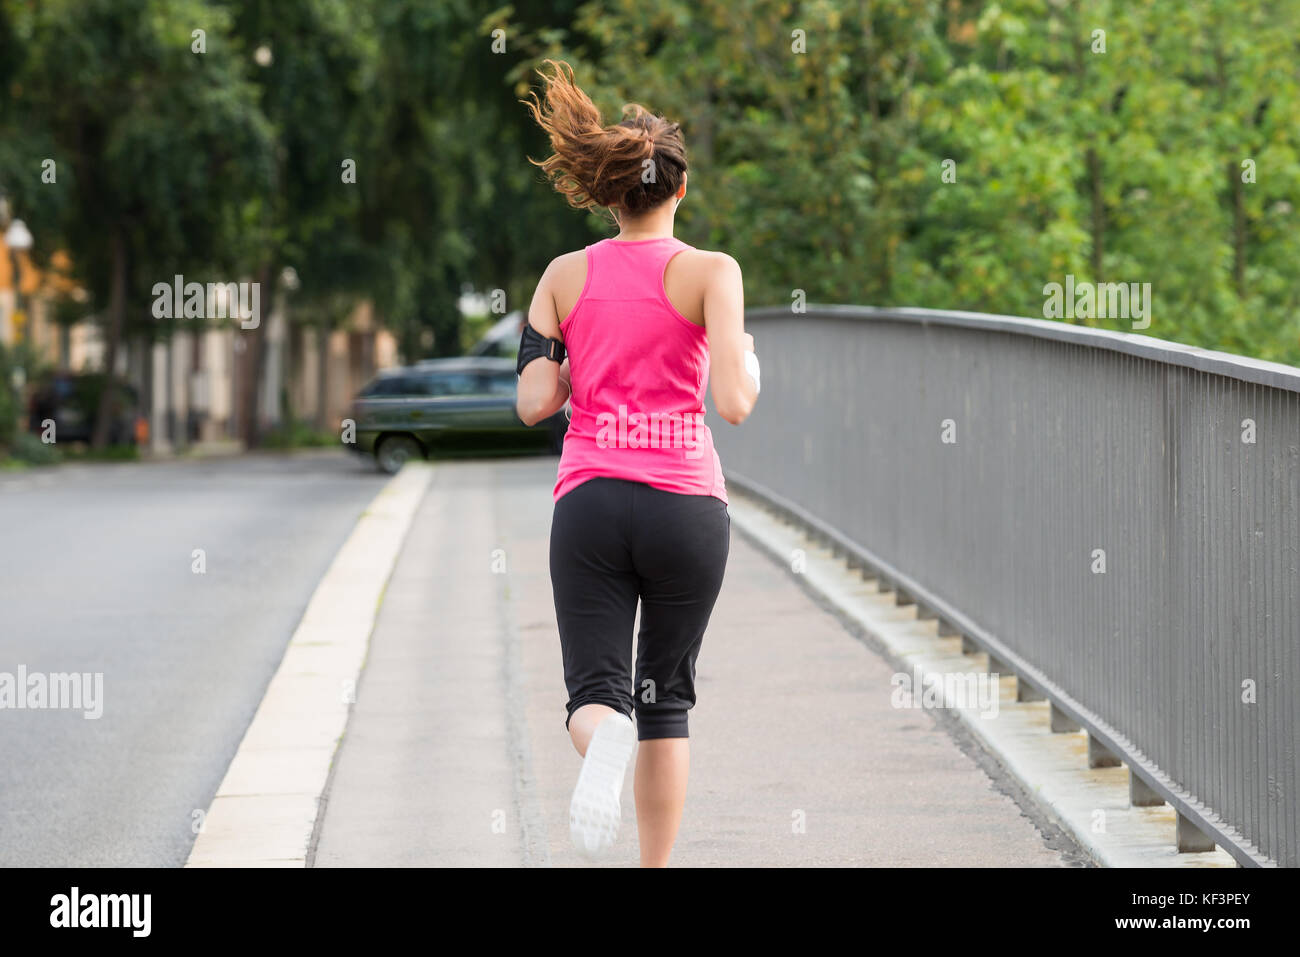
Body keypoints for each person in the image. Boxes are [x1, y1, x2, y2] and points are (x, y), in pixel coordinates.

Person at [515, 60, 760, 867]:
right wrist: (747, 360)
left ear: (609, 193)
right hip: (686, 507)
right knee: (668, 702)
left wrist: (568, 354)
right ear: (679, 191)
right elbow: (733, 400)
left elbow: (533, 402)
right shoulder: (711, 273)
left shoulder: (562, 274)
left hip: (589, 503)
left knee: (595, 696)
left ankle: (603, 732)